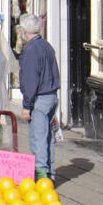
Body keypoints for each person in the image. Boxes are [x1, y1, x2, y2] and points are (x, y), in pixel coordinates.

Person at [18, 14, 60, 180]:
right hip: (52, 96)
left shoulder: (30, 50)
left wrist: (27, 106)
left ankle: (41, 177)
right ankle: (50, 173)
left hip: (40, 99)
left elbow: (30, 81)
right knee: (48, 138)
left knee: (38, 139)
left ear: (24, 30)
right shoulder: (46, 46)